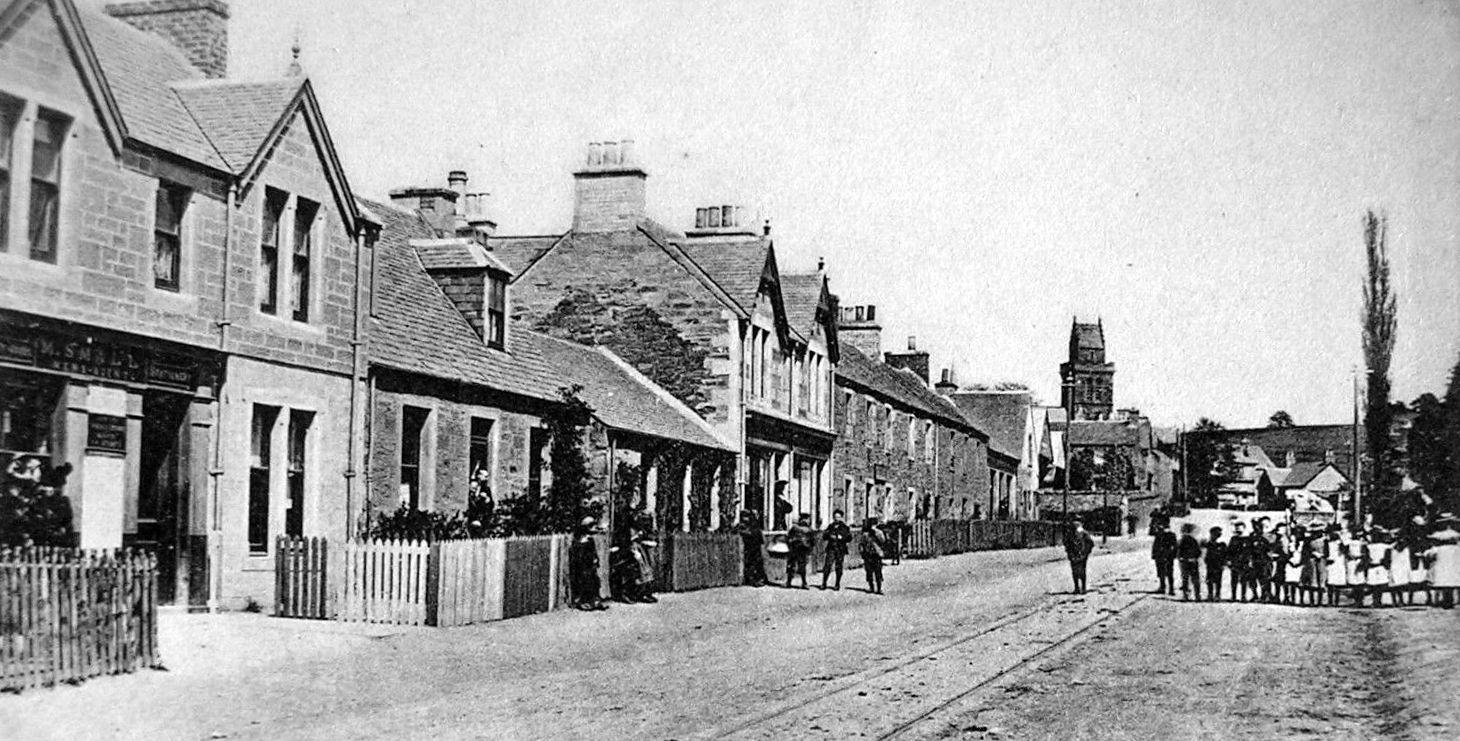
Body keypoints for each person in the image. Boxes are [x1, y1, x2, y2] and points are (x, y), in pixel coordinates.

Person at [569, 516, 608, 611]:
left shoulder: (590, 540)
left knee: (595, 582)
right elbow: (577, 558)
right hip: (582, 567)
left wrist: (595, 560)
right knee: (583, 582)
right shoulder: (578, 541)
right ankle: (582, 601)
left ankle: (595, 601)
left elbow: (593, 552)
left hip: (590, 566)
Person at [820, 509, 853, 590]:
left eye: (838, 517)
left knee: (838, 567)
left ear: (841, 517)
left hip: (840, 549)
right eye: (835, 517)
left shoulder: (845, 527)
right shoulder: (830, 526)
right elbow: (824, 536)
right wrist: (828, 534)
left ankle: (837, 584)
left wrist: (842, 537)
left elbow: (849, 538)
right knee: (827, 566)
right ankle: (824, 583)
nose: (836, 518)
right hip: (831, 548)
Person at [1064, 522, 1095, 594]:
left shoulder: (1081, 533)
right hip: (1079, 555)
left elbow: (1090, 543)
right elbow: (1067, 544)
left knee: (1077, 571)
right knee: (1080, 571)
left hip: (1078, 555)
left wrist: (1086, 552)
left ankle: (1079, 588)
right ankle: (1080, 588)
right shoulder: (1082, 533)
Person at [785, 513, 814, 589]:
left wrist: (809, 549)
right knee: (791, 566)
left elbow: (812, 541)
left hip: (803, 550)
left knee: (802, 567)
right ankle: (788, 582)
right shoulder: (795, 527)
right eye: (804, 519)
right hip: (794, 549)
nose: (806, 521)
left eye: (807, 519)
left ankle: (804, 583)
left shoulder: (809, 530)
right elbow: (788, 537)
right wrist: (791, 542)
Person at [739, 510, 768, 587]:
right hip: (750, 547)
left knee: (756, 563)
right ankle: (753, 579)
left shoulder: (754, 526)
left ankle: (757, 579)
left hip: (755, 547)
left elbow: (759, 536)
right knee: (752, 563)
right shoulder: (744, 525)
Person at [859, 517, 887, 594]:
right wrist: (862, 553)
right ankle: (871, 587)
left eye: (874, 525)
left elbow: (883, 541)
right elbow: (862, 544)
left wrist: (876, 533)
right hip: (868, 554)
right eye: (871, 525)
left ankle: (879, 588)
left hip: (877, 554)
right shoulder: (865, 534)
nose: (873, 527)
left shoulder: (879, 532)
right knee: (869, 572)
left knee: (878, 571)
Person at [1325, 524, 1349, 607]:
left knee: (1337, 583)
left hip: (1338, 563)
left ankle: (1336, 601)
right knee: (1330, 583)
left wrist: (1341, 540)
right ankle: (1330, 600)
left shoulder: (1340, 543)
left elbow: (1345, 550)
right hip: (1331, 563)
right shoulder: (1328, 543)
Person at [1177, 523, 1202, 601]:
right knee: (1190, 579)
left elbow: (1198, 552)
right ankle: (1192, 595)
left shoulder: (1189, 540)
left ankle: (1191, 595)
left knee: (1189, 579)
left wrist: (1193, 558)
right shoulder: (1187, 541)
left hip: (1190, 562)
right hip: (1187, 562)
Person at [1152, 520, 1177, 595]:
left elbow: (1175, 546)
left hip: (1168, 556)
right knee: (1161, 572)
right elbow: (1155, 545)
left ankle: (1171, 588)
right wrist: (1154, 554)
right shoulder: (1158, 535)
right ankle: (1163, 587)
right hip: (1160, 556)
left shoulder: (1171, 535)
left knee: (1169, 572)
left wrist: (1173, 554)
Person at [1203, 526, 1228, 602]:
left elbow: (1225, 554)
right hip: (1210, 564)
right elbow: (1206, 554)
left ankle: (1217, 595)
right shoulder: (1209, 543)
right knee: (1209, 581)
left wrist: (1224, 564)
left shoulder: (1222, 544)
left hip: (1218, 565)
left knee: (1218, 581)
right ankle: (1210, 595)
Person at [1228, 521, 1251, 601]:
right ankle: (1233, 596)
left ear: (1244, 528)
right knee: (1234, 580)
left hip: (1244, 562)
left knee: (1244, 580)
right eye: (1236, 527)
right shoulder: (1233, 539)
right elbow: (1229, 550)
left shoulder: (1248, 539)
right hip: (1235, 562)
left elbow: (1250, 551)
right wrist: (1229, 560)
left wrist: (1249, 561)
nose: (1238, 528)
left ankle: (1243, 596)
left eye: (1240, 527)